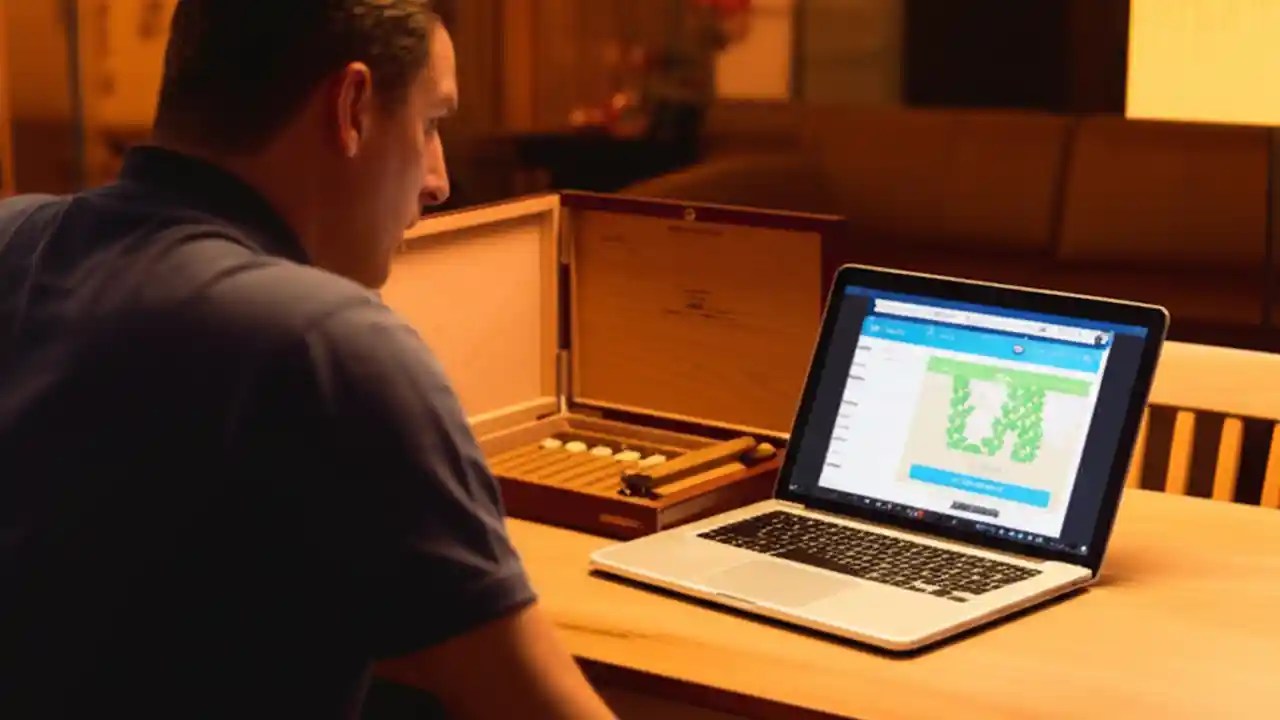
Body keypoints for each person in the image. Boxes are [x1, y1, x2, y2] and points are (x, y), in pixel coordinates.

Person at [0, 2, 616, 719]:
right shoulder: (325, 348)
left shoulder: (13, 243)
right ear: (352, 107)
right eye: (430, 123)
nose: (439, 181)